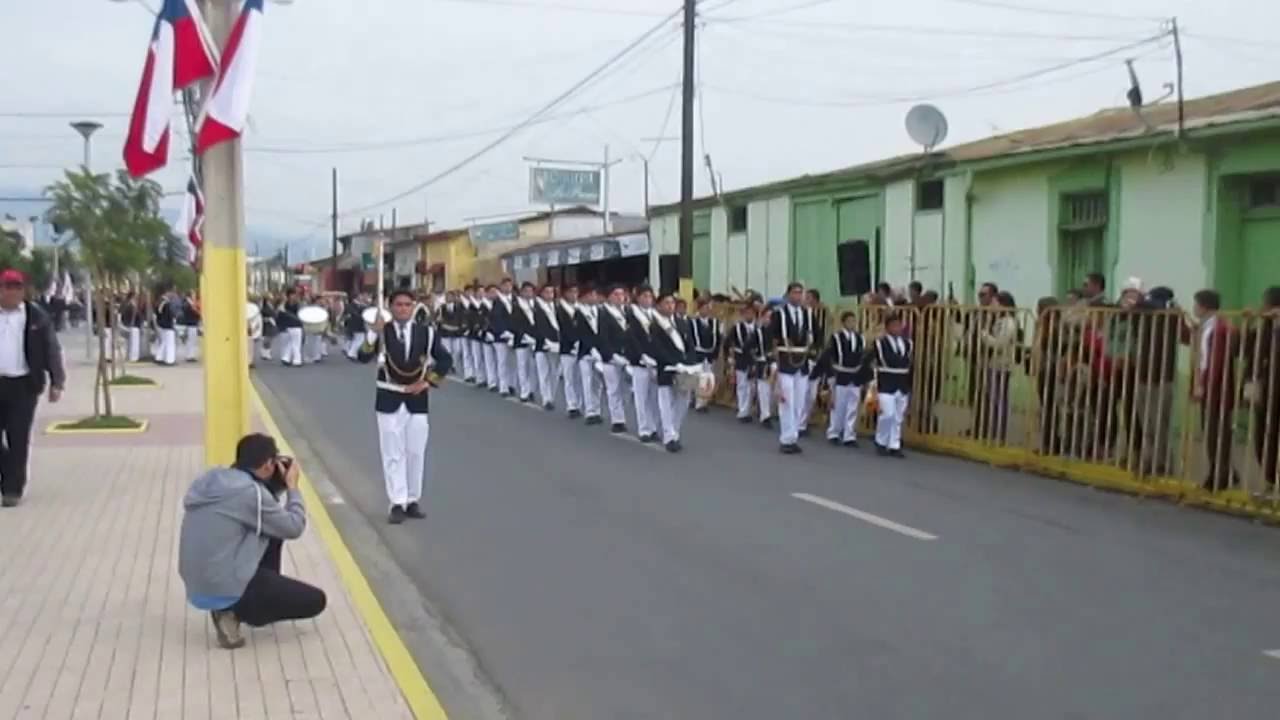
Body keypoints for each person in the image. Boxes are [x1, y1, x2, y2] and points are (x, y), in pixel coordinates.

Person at [178, 433, 325, 649]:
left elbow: (269, 517)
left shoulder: (212, 480)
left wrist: (273, 489)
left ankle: (248, 599)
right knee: (315, 601)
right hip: (223, 587)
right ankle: (235, 611)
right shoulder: (251, 494)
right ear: (267, 465)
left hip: (196, 584)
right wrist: (292, 487)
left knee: (271, 529)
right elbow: (294, 527)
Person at [358, 289, 453, 524]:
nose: (403, 309)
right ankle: (397, 502)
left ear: (413, 307)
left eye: (407, 305)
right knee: (392, 453)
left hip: (417, 399)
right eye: (398, 305)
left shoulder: (426, 333)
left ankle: (412, 499)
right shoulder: (382, 332)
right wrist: (372, 336)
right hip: (389, 397)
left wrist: (427, 382)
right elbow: (361, 357)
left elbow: (445, 359)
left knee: (415, 452)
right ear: (390, 307)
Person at [0, 270, 65, 507]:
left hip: (24, 385)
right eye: (8, 287)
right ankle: (8, 470)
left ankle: (13, 489)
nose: (13, 292)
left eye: (17, 287)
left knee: (18, 438)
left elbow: (51, 348)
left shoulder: (36, 316)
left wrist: (57, 381)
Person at [1186, 289, 1238, 490]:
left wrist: (1203, 387)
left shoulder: (1218, 328)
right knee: (1212, 433)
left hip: (1217, 390)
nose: (1194, 308)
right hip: (1211, 387)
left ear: (1205, 306)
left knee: (1217, 434)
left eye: (1196, 304)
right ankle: (1224, 472)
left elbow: (1215, 362)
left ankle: (1220, 475)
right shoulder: (1207, 327)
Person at [651, 293, 697, 452]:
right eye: (666, 303)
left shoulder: (681, 323)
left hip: (684, 369)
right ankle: (669, 436)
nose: (670, 306)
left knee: (683, 401)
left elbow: (690, 345)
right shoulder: (655, 325)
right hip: (666, 369)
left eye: (672, 303)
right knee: (666, 403)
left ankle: (674, 431)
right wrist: (673, 362)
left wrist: (690, 363)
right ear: (659, 306)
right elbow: (657, 349)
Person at [772, 282, 814, 455]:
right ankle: (786, 438)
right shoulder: (779, 314)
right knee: (787, 400)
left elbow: (814, 336)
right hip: (785, 360)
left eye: (800, 293)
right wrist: (774, 362)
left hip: (801, 361)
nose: (798, 296)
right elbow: (773, 338)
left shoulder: (807, 314)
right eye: (795, 293)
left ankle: (794, 434)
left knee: (799, 401)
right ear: (788, 294)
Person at [819, 311, 870, 447]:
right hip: (840, 373)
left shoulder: (860, 338)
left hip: (855, 375)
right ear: (843, 323)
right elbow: (830, 357)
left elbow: (863, 358)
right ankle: (834, 432)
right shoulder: (836, 338)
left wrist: (864, 377)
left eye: (854, 321)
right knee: (838, 405)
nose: (852, 324)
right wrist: (830, 376)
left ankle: (849, 435)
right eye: (849, 321)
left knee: (853, 406)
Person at [875, 312, 913, 458]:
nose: (897, 328)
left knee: (898, 416)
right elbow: (886, 359)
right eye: (893, 325)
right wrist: (899, 362)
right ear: (887, 327)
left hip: (902, 381)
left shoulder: (908, 343)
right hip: (887, 381)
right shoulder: (881, 342)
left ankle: (894, 444)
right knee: (888, 414)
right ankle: (881, 440)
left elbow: (907, 360)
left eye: (899, 325)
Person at [626, 285, 661, 443]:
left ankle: (653, 427)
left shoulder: (655, 315)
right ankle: (644, 428)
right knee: (641, 396)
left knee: (654, 397)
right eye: (644, 296)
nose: (647, 299)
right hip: (640, 361)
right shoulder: (631, 314)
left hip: (655, 361)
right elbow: (632, 338)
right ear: (638, 297)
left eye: (650, 296)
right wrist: (641, 355)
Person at [728, 303, 771, 427]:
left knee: (752, 387)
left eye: (751, 313)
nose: (749, 315)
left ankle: (752, 410)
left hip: (755, 361)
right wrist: (731, 359)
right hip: (741, 360)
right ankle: (743, 411)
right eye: (746, 313)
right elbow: (730, 344)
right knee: (742, 385)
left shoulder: (758, 329)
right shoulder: (737, 328)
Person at [597, 285, 632, 433]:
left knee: (626, 389)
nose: (620, 297)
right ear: (609, 296)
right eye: (616, 294)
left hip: (626, 356)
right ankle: (617, 419)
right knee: (613, 388)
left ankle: (622, 414)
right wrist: (611, 355)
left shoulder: (628, 312)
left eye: (622, 294)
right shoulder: (604, 313)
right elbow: (603, 337)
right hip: (610, 357)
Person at [574, 286, 604, 425]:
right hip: (586, 352)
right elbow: (582, 333)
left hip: (599, 352)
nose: (594, 297)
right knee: (587, 382)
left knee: (598, 384)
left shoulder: (600, 311)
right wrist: (592, 348)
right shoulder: (579, 312)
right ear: (584, 297)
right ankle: (589, 411)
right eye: (590, 294)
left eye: (595, 294)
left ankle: (597, 410)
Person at [800, 288, 828, 434]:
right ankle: (797, 424)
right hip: (798, 359)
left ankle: (803, 422)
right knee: (800, 392)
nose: (805, 301)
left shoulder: (818, 316)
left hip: (813, 358)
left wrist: (818, 352)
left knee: (811, 395)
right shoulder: (795, 316)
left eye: (808, 298)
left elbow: (819, 338)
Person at [689, 296, 722, 413]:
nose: (707, 309)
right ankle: (699, 403)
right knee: (700, 378)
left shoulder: (714, 322)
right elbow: (690, 339)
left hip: (709, 353)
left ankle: (704, 401)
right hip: (698, 353)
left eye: (708, 307)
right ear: (699, 308)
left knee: (708, 378)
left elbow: (718, 338)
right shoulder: (692, 322)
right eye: (704, 307)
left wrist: (715, 353)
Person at [532, 284, 562, 411]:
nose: (550, 295)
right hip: (542, 344)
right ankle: (546, 398)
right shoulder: (537, 308)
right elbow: (538, 327)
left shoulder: (556, 307)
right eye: (547, 292)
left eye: (552, 292)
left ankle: (552, 396)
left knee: (554, 373)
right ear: (541, 293)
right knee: (543, 372)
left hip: (557, 344)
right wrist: (545, 340)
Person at [556, 284, 583, 418]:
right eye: (571, 292)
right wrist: (573, 342)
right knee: (569, 378)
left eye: (576, 292)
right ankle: (571, 405)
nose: (574, 295)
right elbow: (564, 329)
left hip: (581, 348)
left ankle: (579, 403)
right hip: (567, 348)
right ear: (565, 294)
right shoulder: (560, 309)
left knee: (579, 377)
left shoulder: (580, 308)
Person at [488, 280, 517, 396]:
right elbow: (496, 318)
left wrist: (514, 332)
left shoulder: (515, 300)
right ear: (501, 287)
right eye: (505, 286)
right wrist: (503, 331)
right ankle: (503, 387)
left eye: (510, 286)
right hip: (500, 336)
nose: (508, 288)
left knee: (513, 363)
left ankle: (512, 384)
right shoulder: (497, 301)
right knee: (502, 362)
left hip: (514, 336)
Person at [511, 283, 539, 403]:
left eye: (530, 291)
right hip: (521, 340)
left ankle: (532, 390)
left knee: (533, 367)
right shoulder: (516, 305)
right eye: (526, 291)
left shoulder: (536, 305)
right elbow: (516, 323)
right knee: (522, 366)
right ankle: (524, 391)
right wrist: (525, 335)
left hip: (535, 340)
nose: (528, 293)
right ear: (521, 292)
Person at [278, 288, 303, 367]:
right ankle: (297, 360)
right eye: (294, 294)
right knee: (296, 343)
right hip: (296, 325)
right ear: (290, 295)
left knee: (291, 342)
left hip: (288, 325)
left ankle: (286, 358)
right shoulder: (296, 304)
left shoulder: (285, 303)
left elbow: (280, 311)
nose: (295, 295)